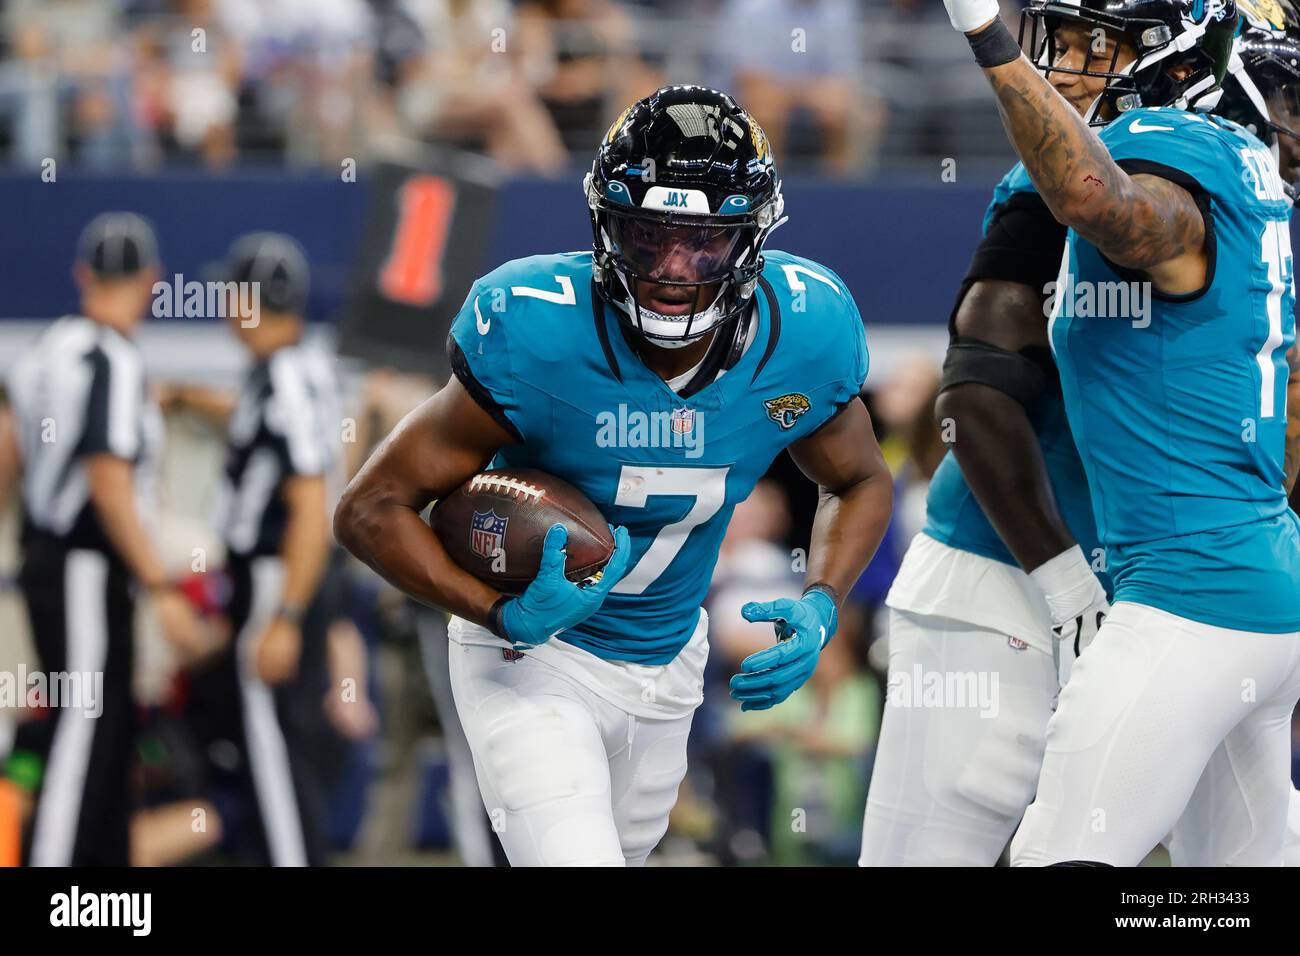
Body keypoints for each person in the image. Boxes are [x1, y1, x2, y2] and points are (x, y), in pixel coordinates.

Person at [335, 85, 893, 866]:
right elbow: (370, 507)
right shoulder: (536, 328)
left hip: (669, 665)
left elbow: (860, 480)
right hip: (533, 661)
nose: (671, 269)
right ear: (604, 225)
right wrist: (499, 613)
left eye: (702, 242)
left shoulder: (805, 330)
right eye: (647, 234)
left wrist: (825, 600)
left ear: (751, 240)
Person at [941, 0, 1300, 866]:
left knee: (1061, 855)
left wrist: (987, 35)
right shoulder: (1258, 183)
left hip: (1188, 598)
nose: (1072, 63)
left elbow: (1095, 197)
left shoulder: (1192, 154)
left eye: (1086, 43)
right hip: (1259, 581)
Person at [1, 211, 213, 865]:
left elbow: (10, 452)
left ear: (83, 275)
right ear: (150, 280)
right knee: (85, 720)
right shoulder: (113, 359)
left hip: (49, 556)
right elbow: (109, 480)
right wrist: (159, 586)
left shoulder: (46, 351)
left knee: (106, 723)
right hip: (86, 565)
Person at [182, 232, 342, 866]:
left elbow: (308, 505)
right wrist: (189, 398)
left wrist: (287, 617)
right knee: (261, 745)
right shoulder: (288, 372)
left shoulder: (286, 379)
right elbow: (272, 431)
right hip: (277, 579)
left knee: (276, 754)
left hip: (279, 580)